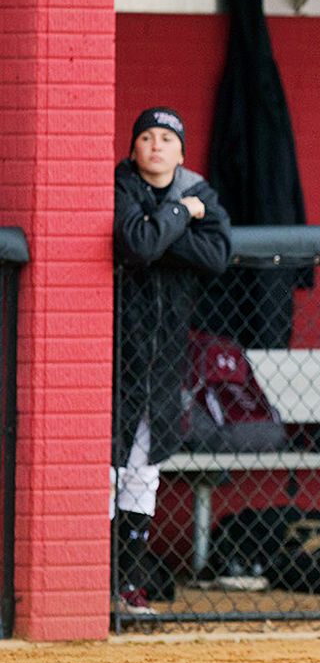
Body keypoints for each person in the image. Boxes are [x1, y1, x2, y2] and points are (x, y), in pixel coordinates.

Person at [113, 107, 232, 616]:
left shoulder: (199, 189)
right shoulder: (121, 186)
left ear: (181, 151)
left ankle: (127, 584)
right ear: (133, 148)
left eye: (167, 138)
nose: (156, 146)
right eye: (147, 137)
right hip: (115, 354)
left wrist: (159, 230)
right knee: (106, 472)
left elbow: (217, 255)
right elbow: (136, 244)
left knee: (143, 473)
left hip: (164, 361)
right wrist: (181, 216)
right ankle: (93, 584)